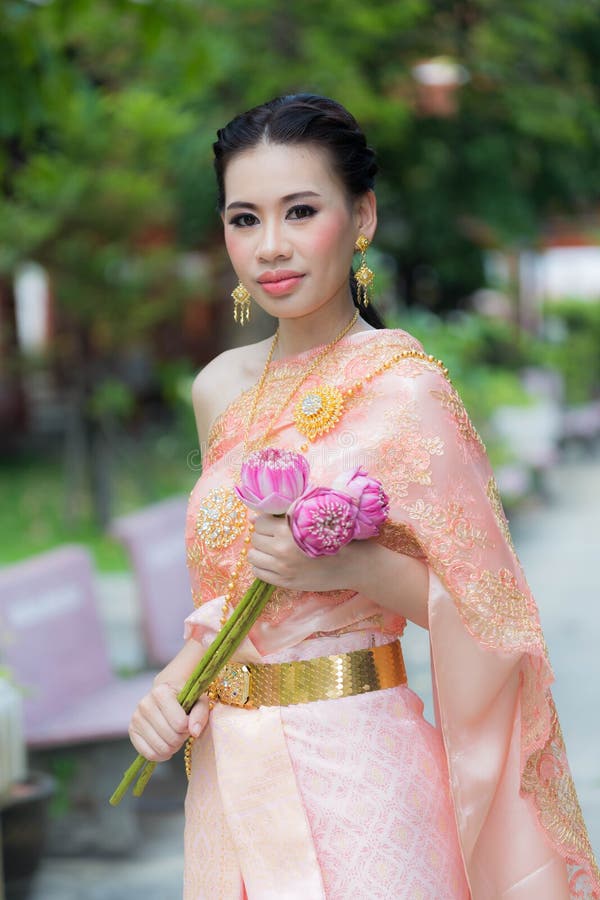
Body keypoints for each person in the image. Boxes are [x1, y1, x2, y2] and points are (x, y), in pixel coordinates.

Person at [128, 94, 599, 899]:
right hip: (231, 779)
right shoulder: (218, 389)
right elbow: (233, 597)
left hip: (362, 769)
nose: (269, 247)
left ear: (362, 218)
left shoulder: (402, 386)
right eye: (245, 219)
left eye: (300, 211)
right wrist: (172, 684)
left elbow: (496, 616)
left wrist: (354, 566)